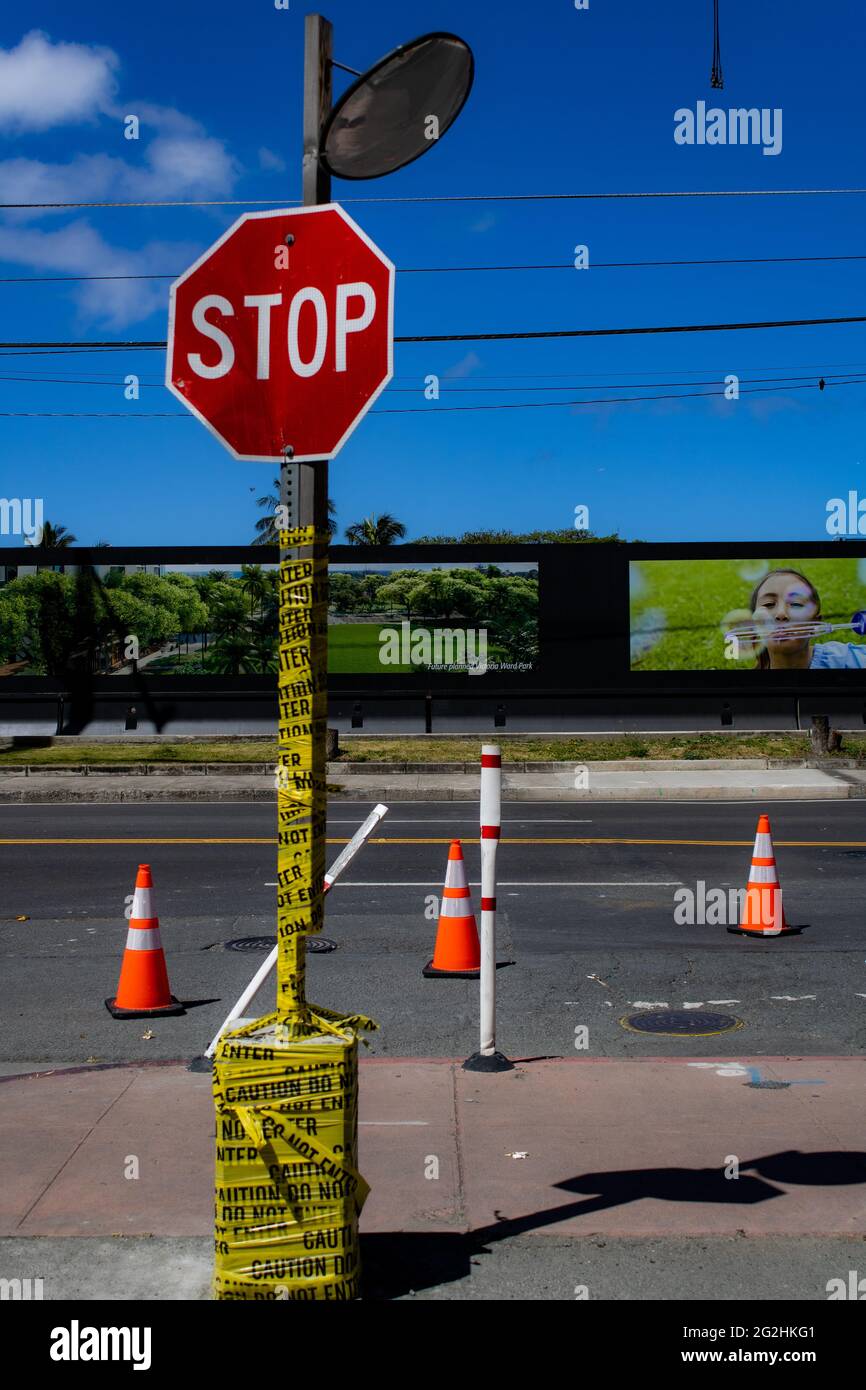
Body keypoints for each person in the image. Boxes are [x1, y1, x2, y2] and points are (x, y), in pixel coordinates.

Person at [748, 568, 866, 670]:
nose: (781, 614)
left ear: (815, 623)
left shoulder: (846, 660)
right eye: (768, 604)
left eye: (796, 604)